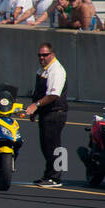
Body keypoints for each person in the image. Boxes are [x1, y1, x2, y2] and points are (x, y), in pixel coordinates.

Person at [24, 43, 67, 187]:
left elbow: (53, 95)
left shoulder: (56, 71)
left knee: (53, 146)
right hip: (45, 112)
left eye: (45, 55)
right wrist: (35, 110)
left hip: (55, 113)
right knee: (46, 145)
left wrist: (34, 105)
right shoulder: (43, 70)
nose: (41, 57)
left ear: (52, 54)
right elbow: (39, 92)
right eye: (40, 55)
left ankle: (56, 177)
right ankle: (48, 175)